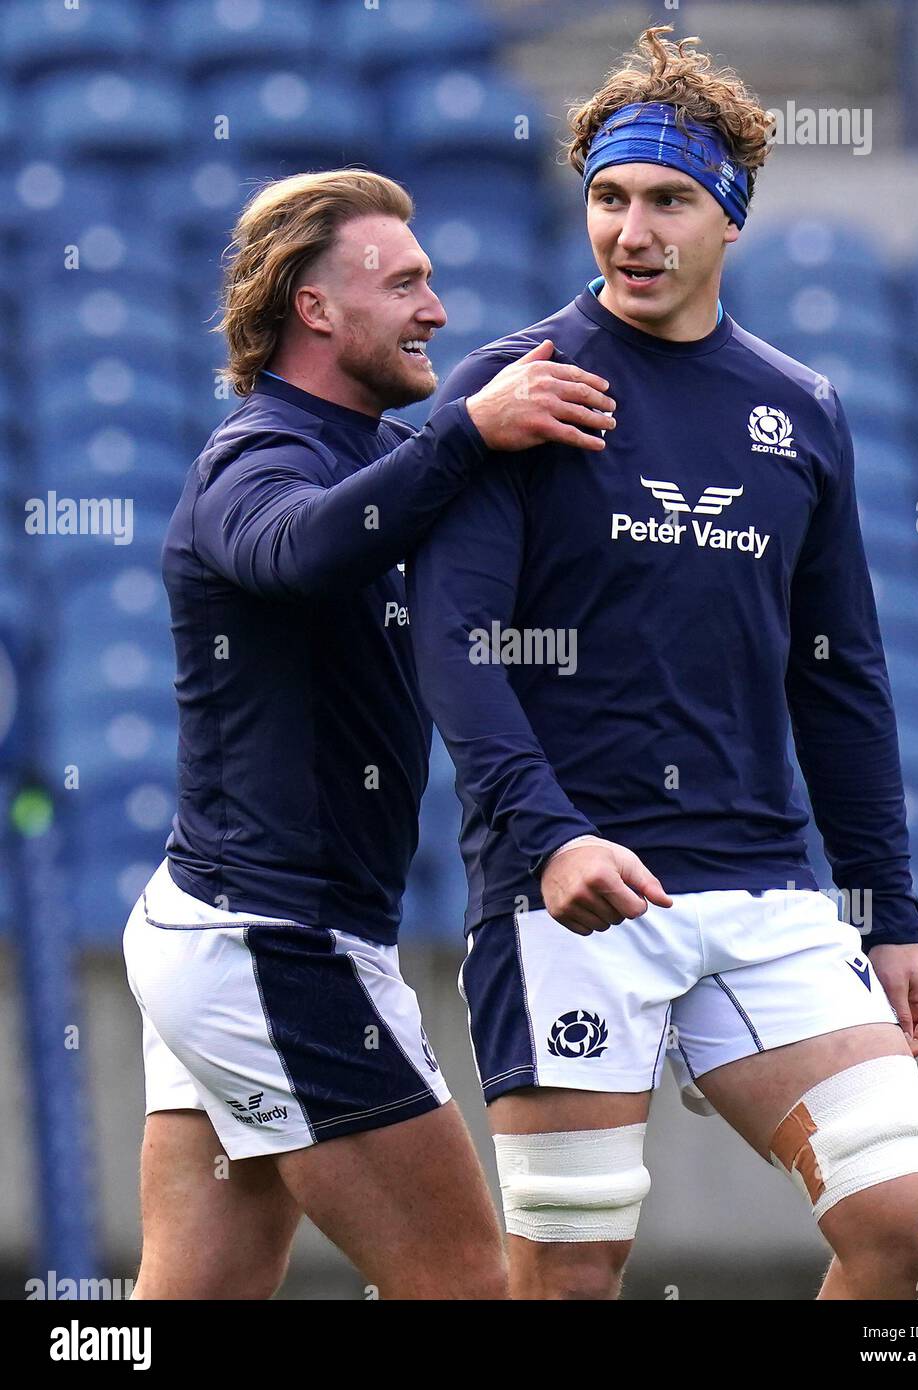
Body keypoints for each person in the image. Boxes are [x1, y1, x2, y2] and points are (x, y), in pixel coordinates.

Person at [407, 29, 918, 1300]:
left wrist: (885, 909)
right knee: (571, 1267)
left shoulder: (798, 408)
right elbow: (459, 650)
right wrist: (547, 839)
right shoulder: (517, 388)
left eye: (670, 200)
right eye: (609, 196)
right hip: (570, 896)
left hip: (766, 892)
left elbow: (841, 675)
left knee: (909, 1235)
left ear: (730, 220)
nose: (633, 230)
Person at [122, 167, 616, 1299]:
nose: (435, 309)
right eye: (404, 284)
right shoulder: (256, 455)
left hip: (237, 935)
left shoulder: (368, 458)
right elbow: (297, 550)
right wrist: (466, 435)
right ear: (314, 306)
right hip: (271, 941)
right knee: (461, 1282)